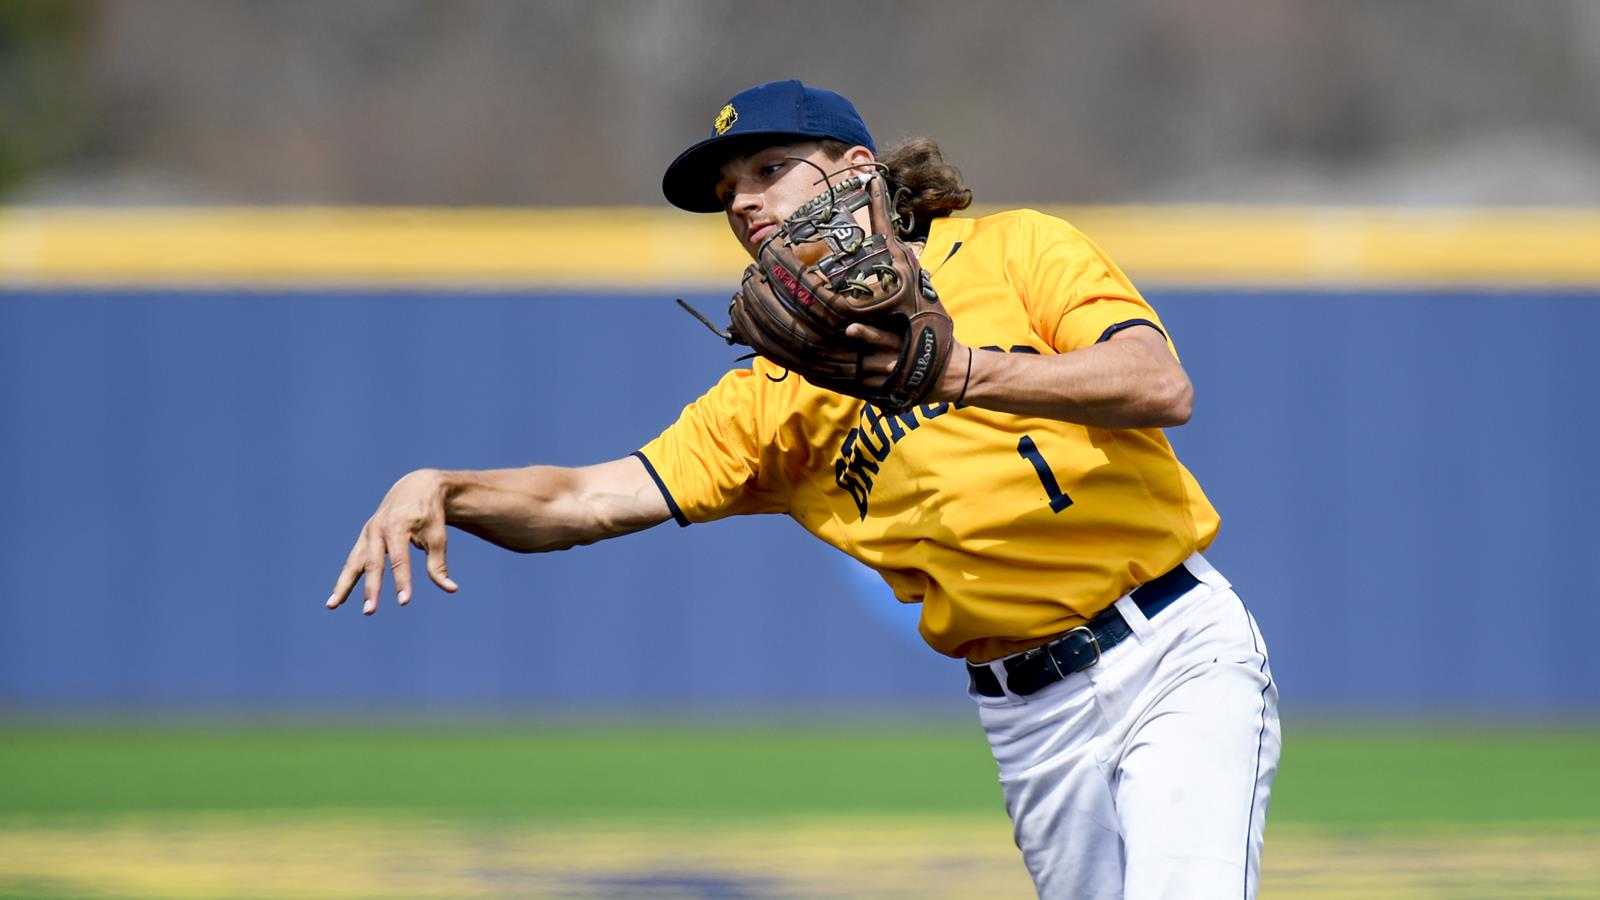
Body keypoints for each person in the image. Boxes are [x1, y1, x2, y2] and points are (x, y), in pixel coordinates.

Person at [327, 79, 1281, 899]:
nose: (744, 202)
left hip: (1171, 650)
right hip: (1030, 718)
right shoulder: (771, 399)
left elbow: (1159, 386)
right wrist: (443, 487)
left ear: (856, 169)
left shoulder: (1014, 250)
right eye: (727, 194)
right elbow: (581, 501)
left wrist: (953, 371)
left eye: (769, 168)